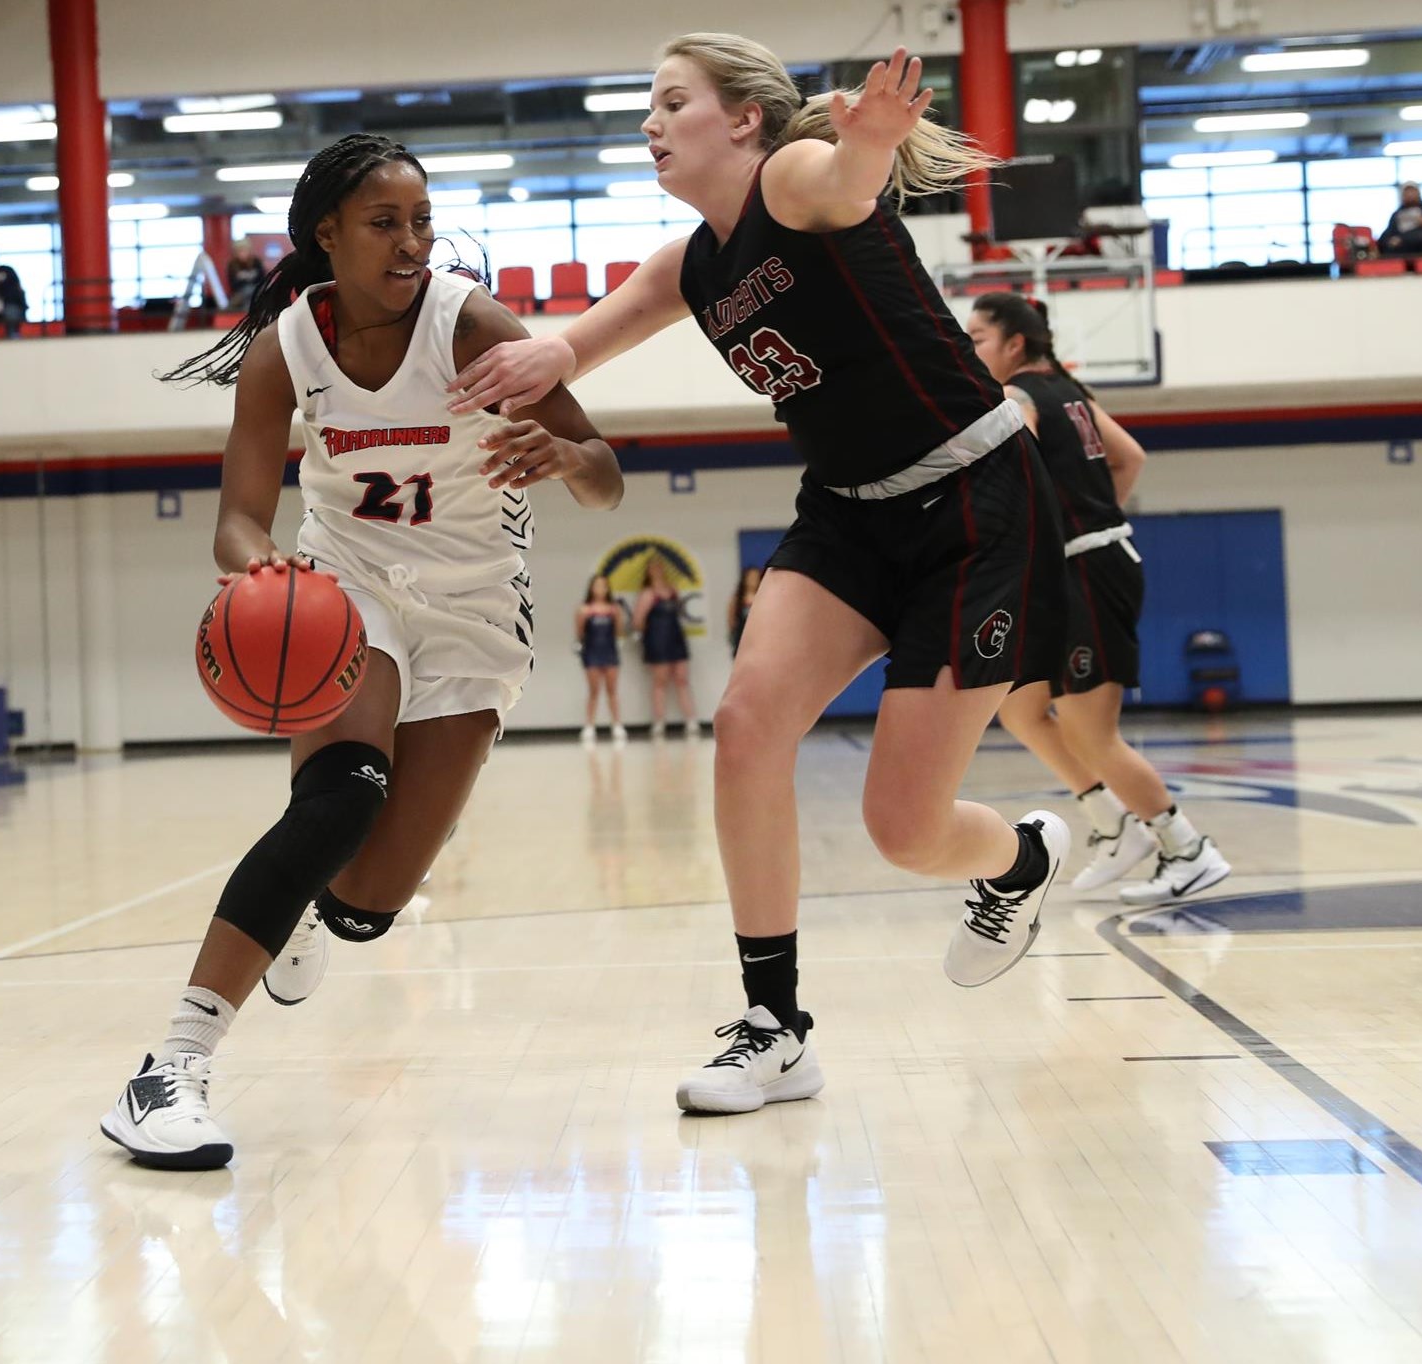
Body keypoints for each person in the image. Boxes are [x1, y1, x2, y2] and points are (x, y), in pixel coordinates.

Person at [449, 36, 1074, 1116]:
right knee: (744, 723)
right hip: (846, 512)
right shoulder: (686, 263)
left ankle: (1019, 859)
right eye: (645, 104)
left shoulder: (790, 177)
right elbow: (570, 349)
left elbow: (841, 180)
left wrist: (868, 142)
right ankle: (775, 1027)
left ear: (742, 118)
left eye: (671, 101)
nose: (649, 122)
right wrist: (515, 368)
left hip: (971, 503)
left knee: (903, 829)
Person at [102, 134, 625, 1169]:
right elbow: (238, 522)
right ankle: (170, 1064)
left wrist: (565, 456)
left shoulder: (469, 322)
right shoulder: (283, 350)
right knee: (340, 796)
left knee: (366, 904)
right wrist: (265, 576)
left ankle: (311, 906)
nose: (410, 241)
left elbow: (606, 475)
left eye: (422, 221)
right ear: (324, 235)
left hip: (474, 610)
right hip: (350, 591)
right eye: (384, 222)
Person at [968, 293, 1232, 906]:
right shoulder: (1069, 390)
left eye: (978, 336)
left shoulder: (1019, 397)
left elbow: (1017, 479)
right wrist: (1091, 513)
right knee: (1022, 709)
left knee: (1093, 733)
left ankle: (1188, 849)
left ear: (1014, 344)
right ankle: (1115, 824)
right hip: (1085, 560)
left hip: (1085, 568)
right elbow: (1130, 456)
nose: (970, 347)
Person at [633, 555, 698, 734]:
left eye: (660, 566)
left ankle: (691, 720)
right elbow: (638, 621)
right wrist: (650, 635)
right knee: (660, 681)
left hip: (676, 637)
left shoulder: (673, 590)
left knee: (682, 678)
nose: (657, 570)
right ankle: (659, 722)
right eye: (653, 567)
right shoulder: (647, 594)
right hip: (658, 639)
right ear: (648, 571)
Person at [576, 575, 628, 741]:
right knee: (594, 690)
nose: (600, 589)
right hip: (592, 652)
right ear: (591, 588)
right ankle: (590, 725)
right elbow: (580, 632)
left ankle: (617, 724)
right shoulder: (585, 610)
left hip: (610, 651)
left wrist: (619, 642)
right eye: (597, 586)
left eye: (604, 586)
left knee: (612, 690)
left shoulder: (614, 609)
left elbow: (619, 631)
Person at [1379, 183, 1422, 256]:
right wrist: (1390, 240)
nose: (1410, 195)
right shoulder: (1396, 215)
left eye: (1412, 192)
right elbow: (1387, 235)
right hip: (1403, 248)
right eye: (1407, 193)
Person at [726, 566, 763, 655]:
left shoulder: (763, 598)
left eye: (755, 577)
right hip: (741, 638)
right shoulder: (737, 599)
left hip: (759, 638)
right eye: (750, 577)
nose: (753, 580)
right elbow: (731, 618)